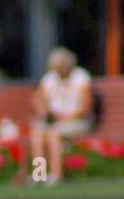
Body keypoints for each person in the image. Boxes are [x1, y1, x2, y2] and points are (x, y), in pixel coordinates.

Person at [29, 47, 94, 185]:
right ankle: (39, 175)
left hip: (77, 121)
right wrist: (44, 110)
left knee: (53, 134)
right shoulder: (50, 78)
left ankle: (56, 175)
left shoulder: (81, 77)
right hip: (55, 120)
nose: (57, 70)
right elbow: (38, 98)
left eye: (60, 67)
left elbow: (85, 108)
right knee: (37, 134)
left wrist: (64, 118)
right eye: (55, 67)